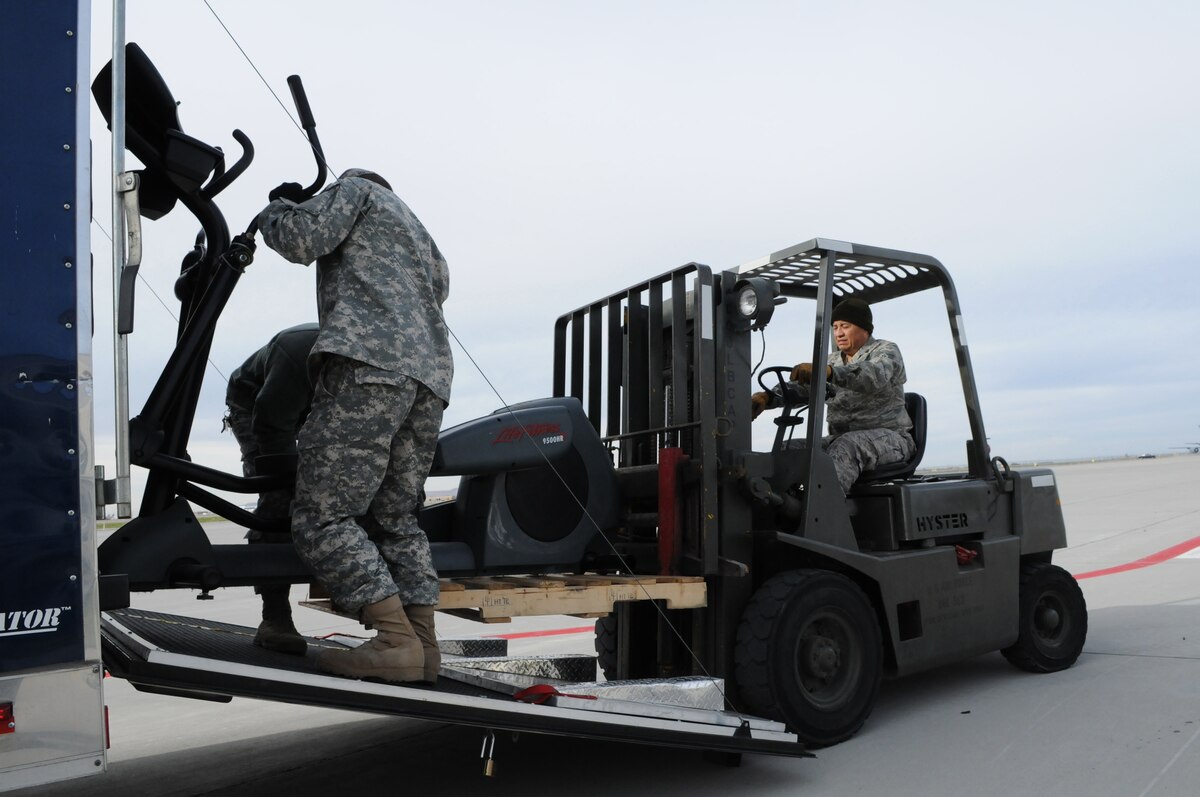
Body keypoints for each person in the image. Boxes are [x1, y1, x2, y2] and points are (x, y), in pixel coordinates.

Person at [256, 168, 452, 684]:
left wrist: (278, 208)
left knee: (322, 517)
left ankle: (393, 642)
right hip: (429, 379)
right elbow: (440, 290)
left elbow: (302, 240)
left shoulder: (356, 190)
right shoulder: (420, 234)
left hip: (368, 368)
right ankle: (423, 647)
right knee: (396, 518)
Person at [751, 297, 913, 494]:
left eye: (845, 326)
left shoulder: (885, 351)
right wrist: (768, 398)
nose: (839, 333)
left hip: (891, 439)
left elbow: (873, 376)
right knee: (787, 450)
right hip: (839, 438)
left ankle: (823, 509)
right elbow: (803, 388)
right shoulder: (832, 360)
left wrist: (828, 372)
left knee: (846, 447)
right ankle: (780, 503)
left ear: (864, 328)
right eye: (835, 327)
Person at [224, 322, 319, 656]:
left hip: (310, 407)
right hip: (256, 403)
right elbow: (272, 428)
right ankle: (275, 617)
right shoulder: (296, 353)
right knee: (279, 495)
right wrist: (296, 487)